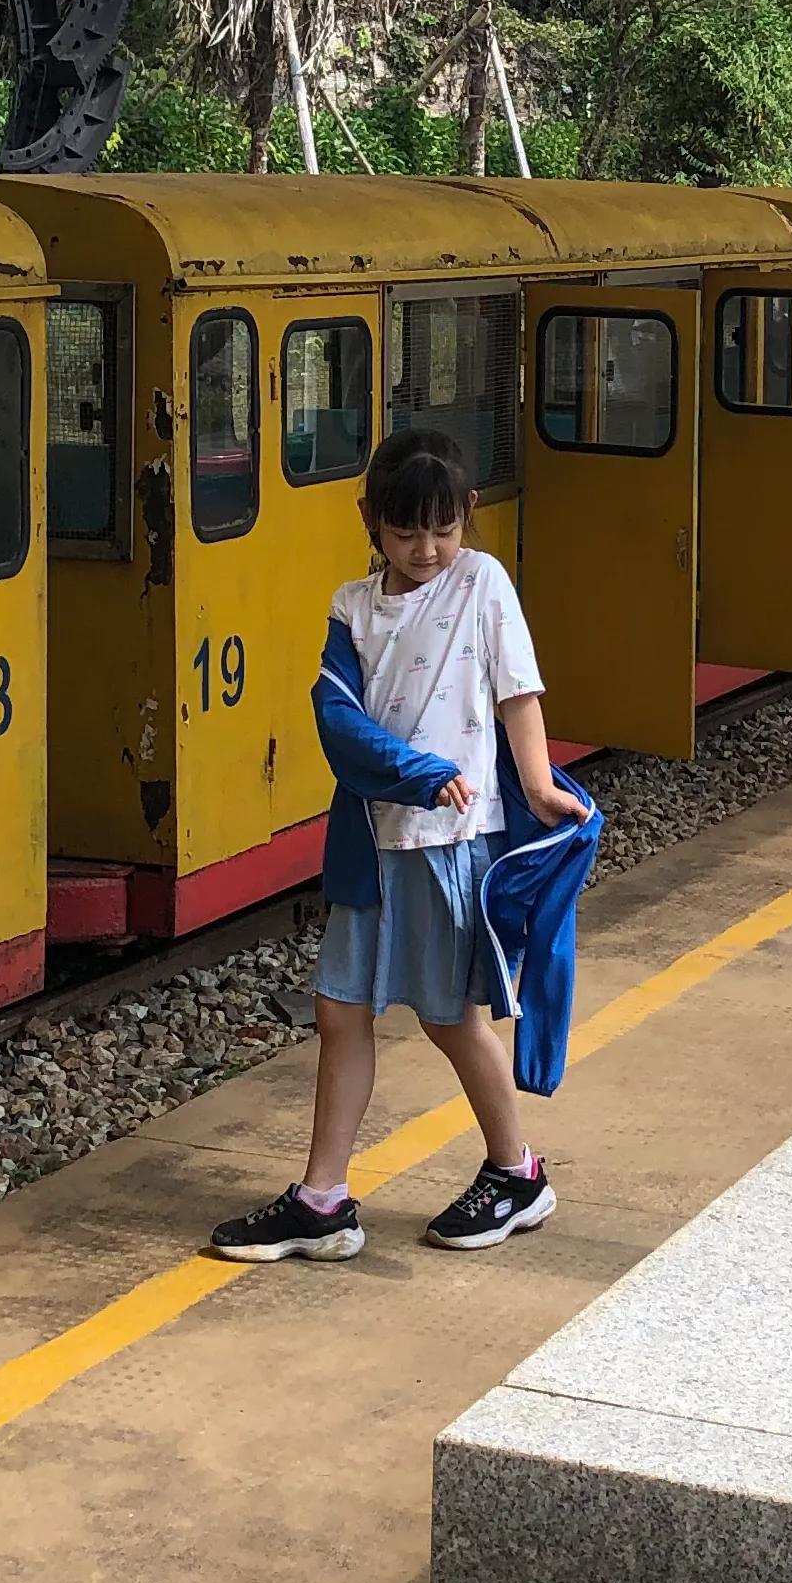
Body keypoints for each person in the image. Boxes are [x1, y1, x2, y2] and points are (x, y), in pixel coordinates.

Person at [209, 425, 593, 1263]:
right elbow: (336, 719)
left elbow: (517, 692)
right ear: (369, 521)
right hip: (374, 843)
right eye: (406, 530)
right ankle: (323, 1199)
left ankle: (517, 1173)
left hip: (451, 839)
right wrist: (415, 770)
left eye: (444, 528)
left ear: (468, 517)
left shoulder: (483, 583)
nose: (427, 549)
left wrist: (537, 787)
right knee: (341, 1012)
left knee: (452, 1019)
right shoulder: (351, 608)